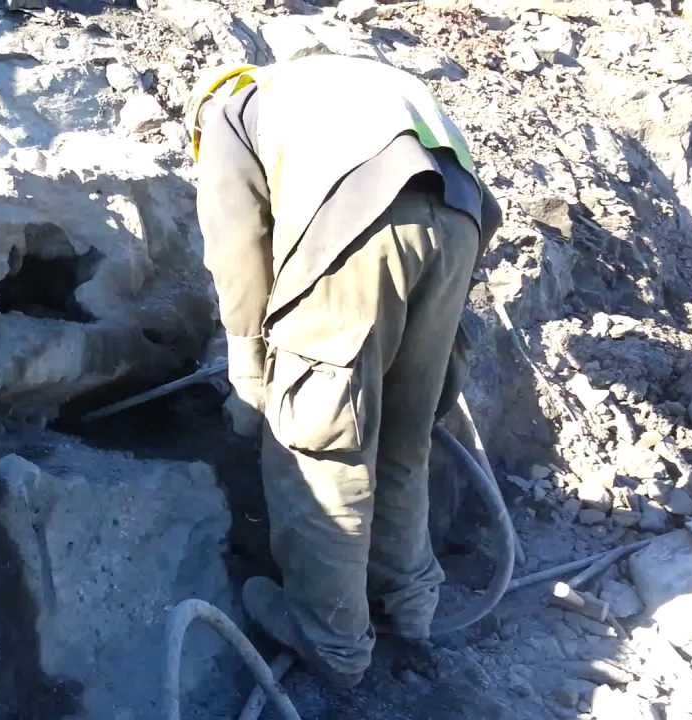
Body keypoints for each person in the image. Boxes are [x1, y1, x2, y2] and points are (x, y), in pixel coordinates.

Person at [186, 54, 502, 689]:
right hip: (460, 222)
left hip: (360, 225)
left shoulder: (227, 109)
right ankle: (408, 606)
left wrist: (250, 380)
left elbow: (239, 249)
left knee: (320, 446)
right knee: (401, 438)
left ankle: (332, 642)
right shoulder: (337, 84)